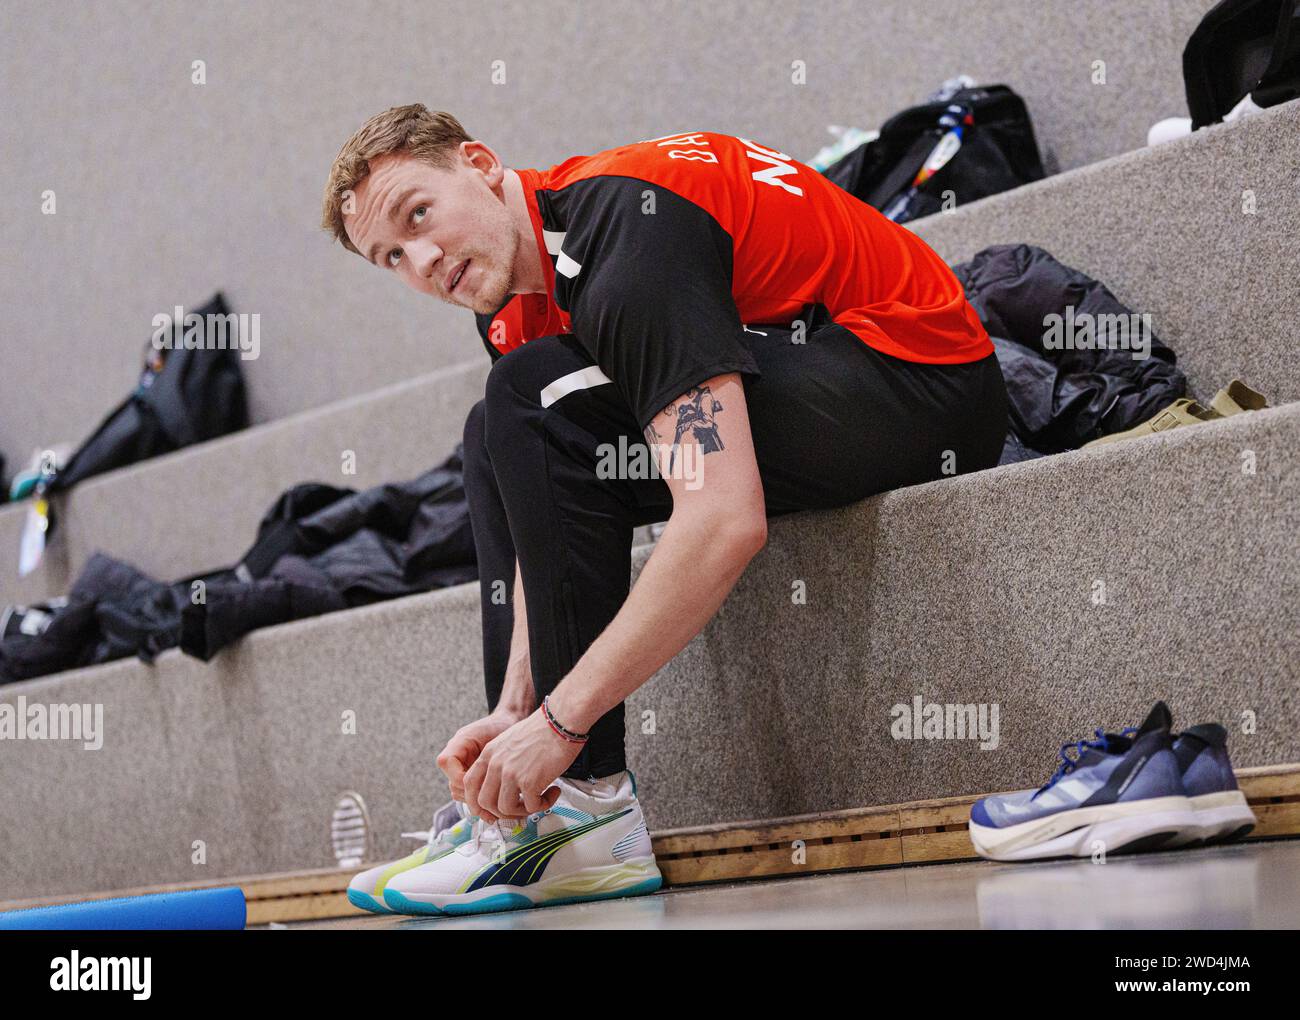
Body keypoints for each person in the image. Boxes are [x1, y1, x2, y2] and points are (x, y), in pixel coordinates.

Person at [321, 105, 1008, 916]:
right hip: (813, 377)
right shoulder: (512, 301)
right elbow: (538, 497)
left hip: (925, 387)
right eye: (390, 256)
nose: (422, 260)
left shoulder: (628, 236)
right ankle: (530, 817)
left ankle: (585, 806)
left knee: (532, 401)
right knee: (490, 430)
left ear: (479, 162)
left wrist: (561, 724)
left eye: (419, 214)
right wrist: (515, 712)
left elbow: (724, 519)